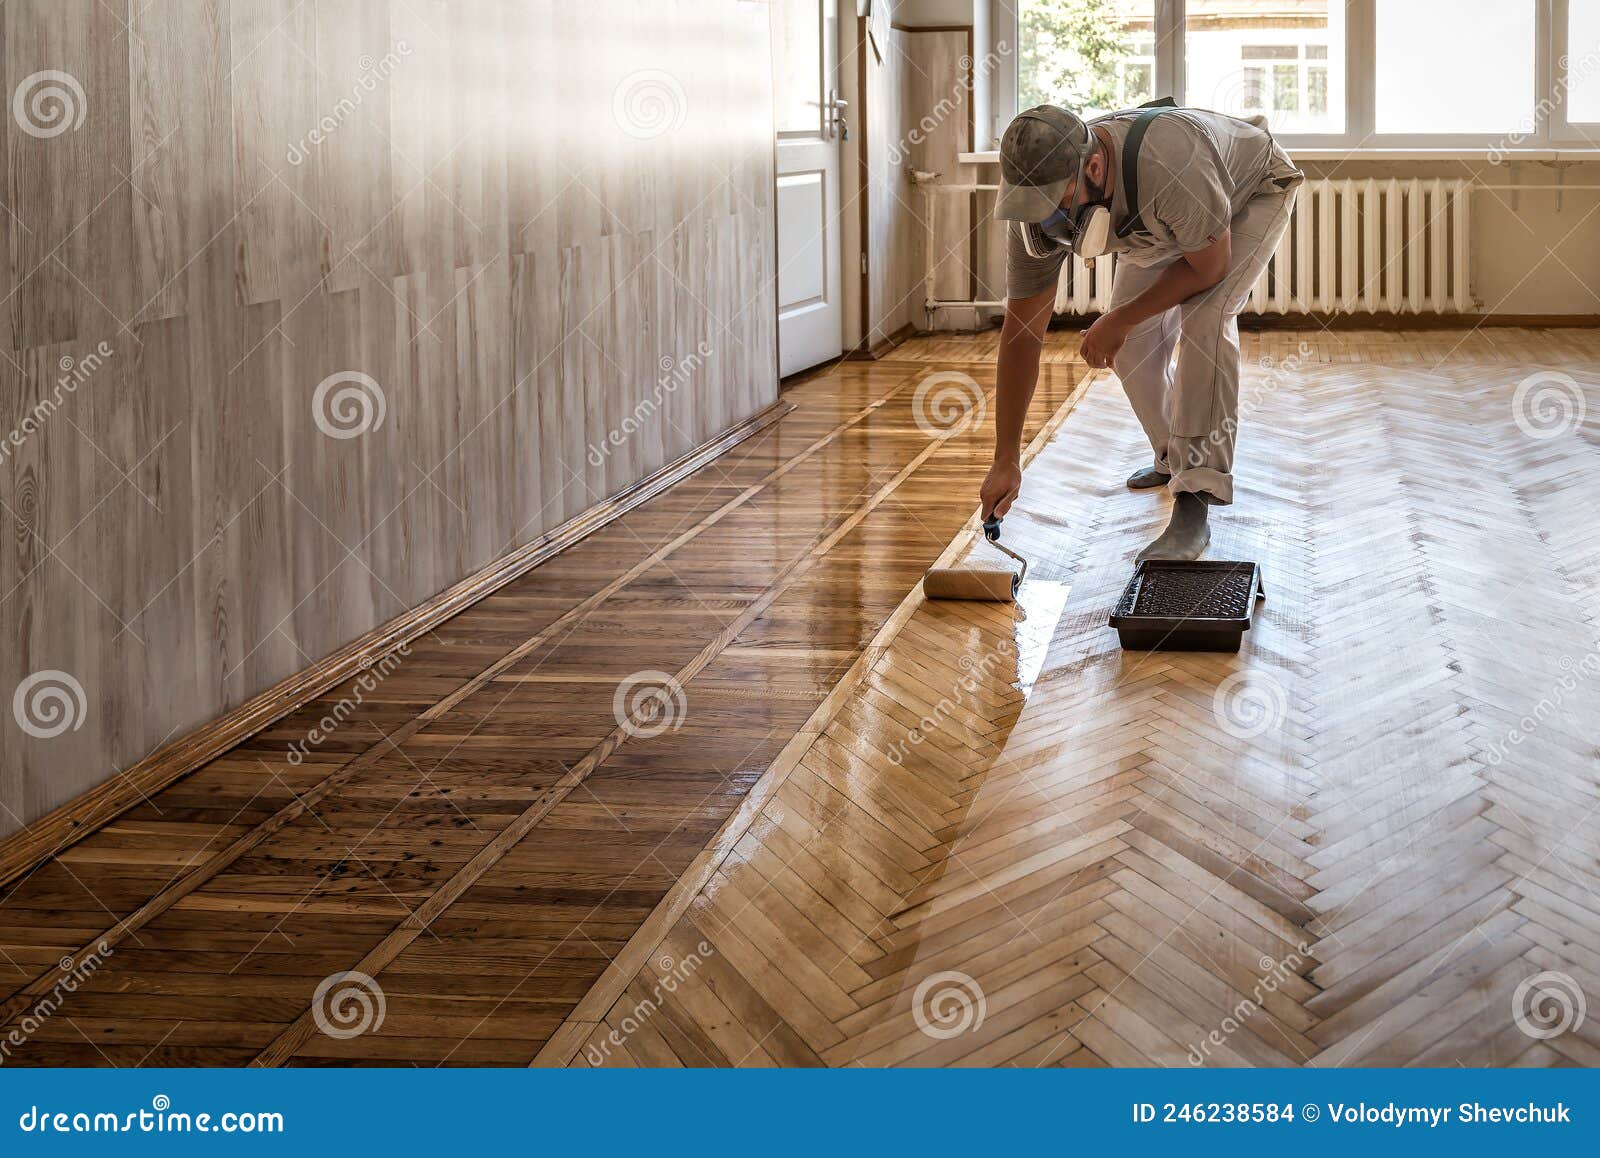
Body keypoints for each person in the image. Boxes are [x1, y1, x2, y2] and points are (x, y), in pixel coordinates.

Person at [979, 101, 1303, 560]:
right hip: (1161, 214)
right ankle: (1172, 456)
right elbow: (1021, 334)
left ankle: (1195, 499)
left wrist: (1119, 317)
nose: (1047, 219)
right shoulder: (1032, 204)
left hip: (1249, 191)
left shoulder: (1170, 161)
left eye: (1058, 201)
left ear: (1093, 166)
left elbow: (1208, 269)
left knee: (1206, 319)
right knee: (1129, 346)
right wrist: (1005, 457)